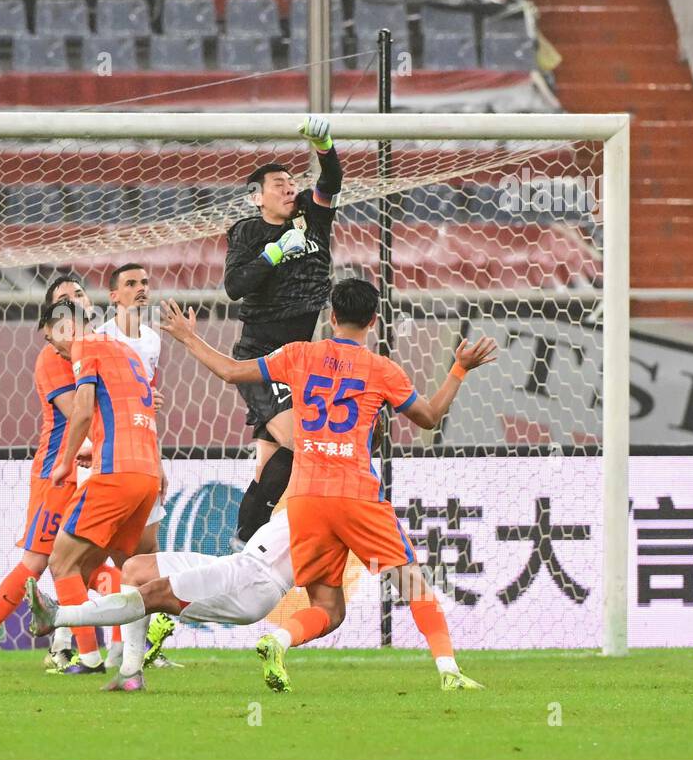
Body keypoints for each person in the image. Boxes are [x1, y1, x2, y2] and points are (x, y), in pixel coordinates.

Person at [156, 278, 497, 691]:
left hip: (305, 499)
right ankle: (449, 672)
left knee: (328, 607)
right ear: (373, 320)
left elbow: (231, 372)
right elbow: (428, 416)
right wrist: (459, 370)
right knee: (412, 582)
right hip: (355, 495)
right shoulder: (382, 369)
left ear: (331, 316)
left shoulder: (300, 354)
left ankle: (279, 639)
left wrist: (189, 338)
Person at [0, 274, 122, 671]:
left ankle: (95, 651)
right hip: (60, 471)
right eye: (64, 300)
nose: (75, 302)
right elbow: (76, 413)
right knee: (39, 561)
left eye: (80, 295)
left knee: (96, 565)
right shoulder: (52, 358)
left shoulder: (102, 349)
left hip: (98, 467)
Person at [27, 506, 303, 691]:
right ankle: (130, 674)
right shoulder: (313, 483)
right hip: (240, 564)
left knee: (154, 594)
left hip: (253, 583)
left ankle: (57, 616)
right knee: (135, 570)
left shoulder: (333, 501)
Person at [224, 115, 342, 548]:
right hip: (261, 355)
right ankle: (251, 544)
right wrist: (272, 255)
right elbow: (234, 287)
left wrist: (324, 146)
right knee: (305, 443)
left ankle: (243, 543)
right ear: (256, 197)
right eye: (279, 183)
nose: (289, 186)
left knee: (275, 465)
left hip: (298, 359)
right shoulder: (248, 232)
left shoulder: (312, 218)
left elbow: (331, 179)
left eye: (292, 181)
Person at [39, 299, 161, 680]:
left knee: (61, 563)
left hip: (115, 474)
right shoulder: (126, 350)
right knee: (121, 571)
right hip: (146, 474)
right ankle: (131, 667)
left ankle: (89, 657)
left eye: (52, 338)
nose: (55, 348)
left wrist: (65, 460)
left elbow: (84, 410)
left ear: (65, 327)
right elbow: (132, 414)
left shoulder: (85, 346)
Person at [94, 262, 181, 668]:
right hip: (111, 457)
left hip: (145, 454)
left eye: (145, 282)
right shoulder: (99, 339)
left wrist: (159, 458)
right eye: (131, 284)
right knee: (106, 560)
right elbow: (91, 402)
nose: (140, 289)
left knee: (147, 558)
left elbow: (148, 405)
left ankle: (139, 651)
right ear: (114, 295)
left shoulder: (151, 341)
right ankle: (81, 643)